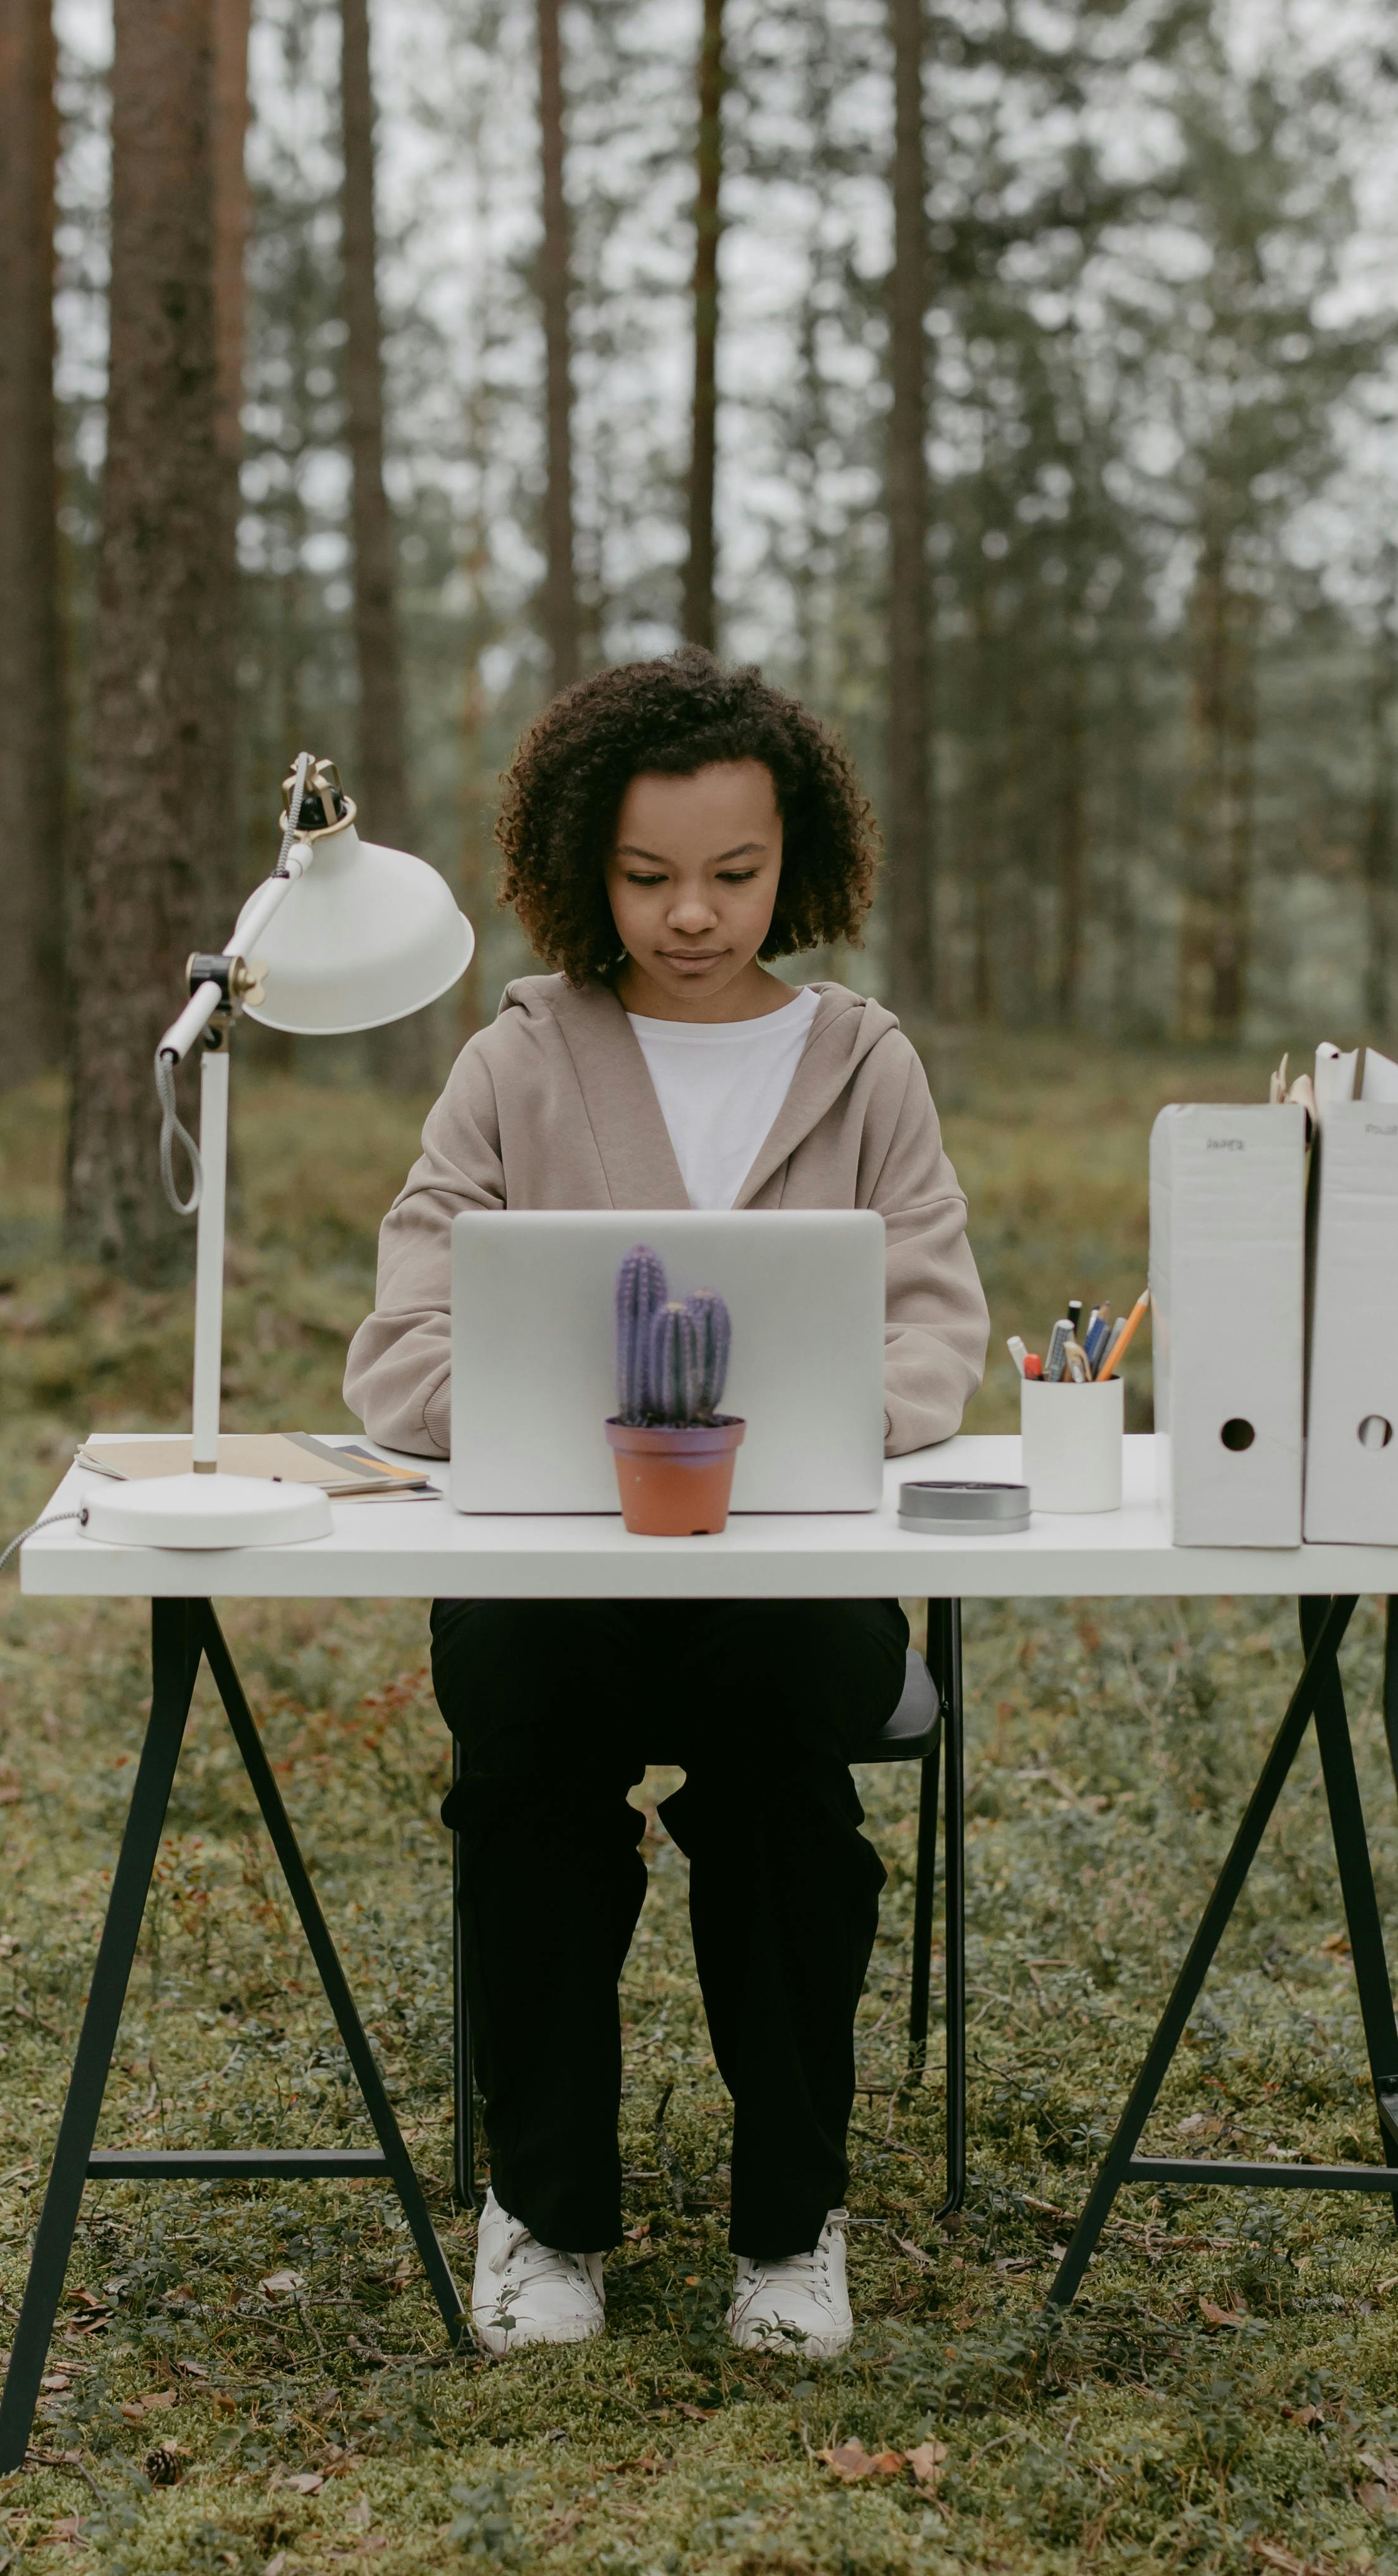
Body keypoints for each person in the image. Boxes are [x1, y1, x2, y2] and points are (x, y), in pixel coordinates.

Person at [344, 647, 987, 2358]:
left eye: (731, 874)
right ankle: (546, 2216)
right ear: (581, 861)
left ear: (801, 865)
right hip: (555, 1577)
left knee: (789, 1807)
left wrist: (816, 1413)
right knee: (529, 1792)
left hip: (784, 1578)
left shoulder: (864, 1066)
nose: (690, 915)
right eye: (644, 878)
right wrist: (576, 1411)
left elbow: (935, 1330)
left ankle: (791, 2231)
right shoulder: (518, 1061)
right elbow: (396, 1351)